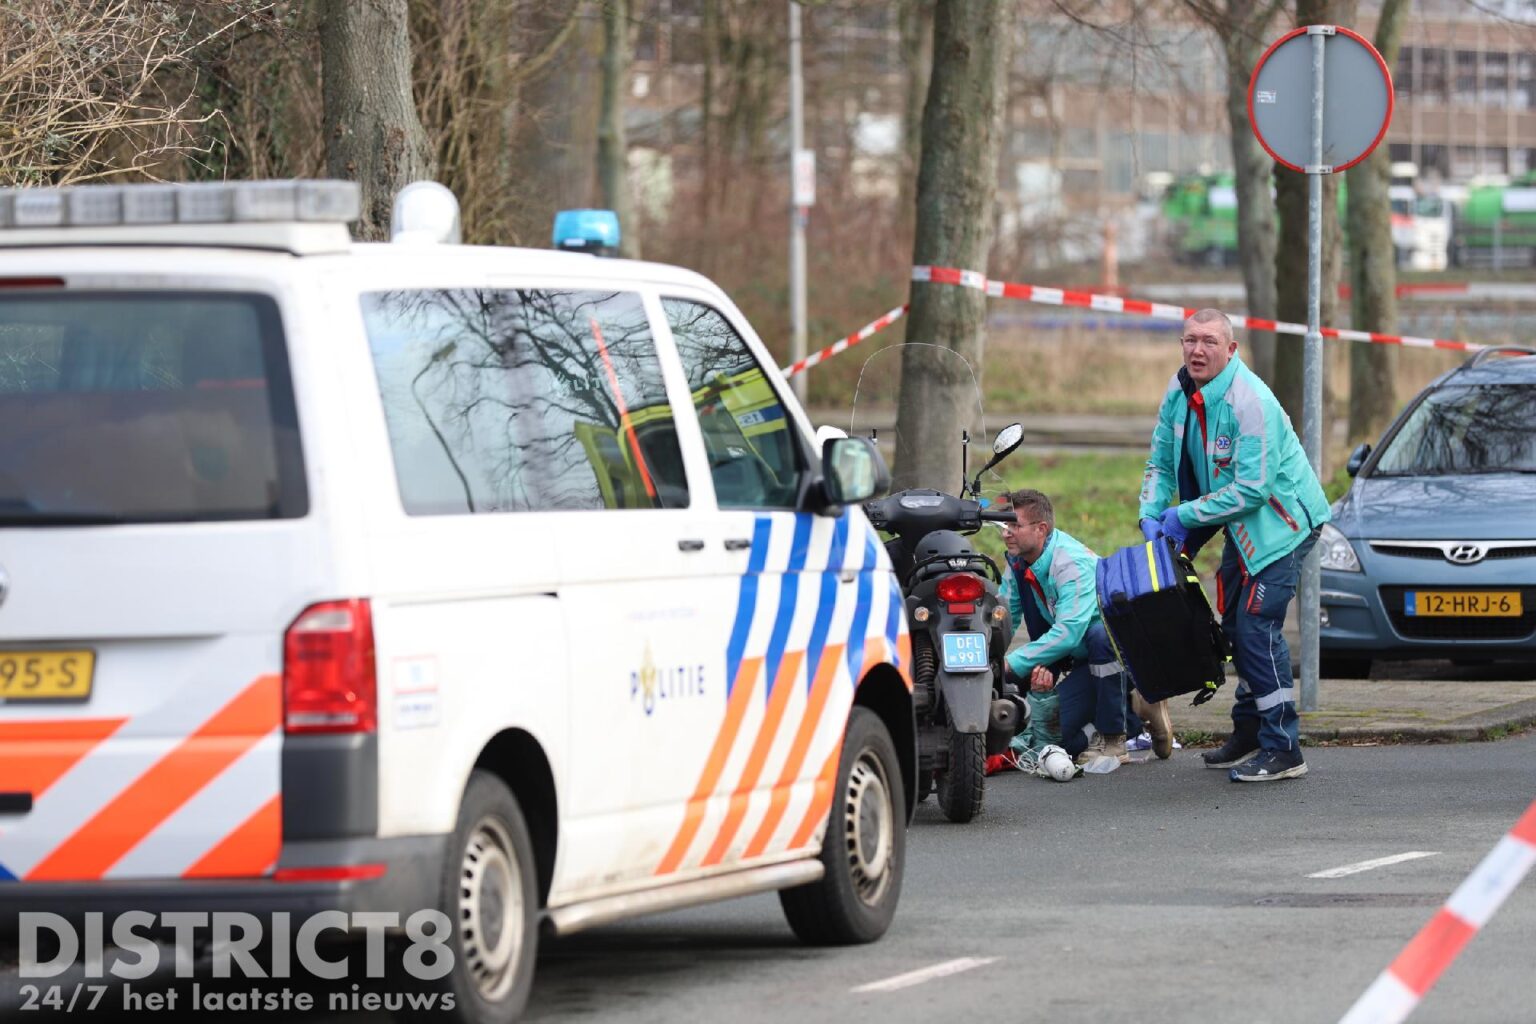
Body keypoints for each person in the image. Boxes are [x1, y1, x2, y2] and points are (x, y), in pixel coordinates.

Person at [1139, 308, 1331, 782]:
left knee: (1257, 628)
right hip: (1240, 526)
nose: (1197, 350)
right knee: (1234, 623)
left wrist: (1183, 516)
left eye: (1208, 341)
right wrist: (1150, 510)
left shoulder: (1251, 401)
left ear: (1231, 349)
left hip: (1284, 528)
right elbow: (1161, 461)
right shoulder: (1180, 390)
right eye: (1189, 340)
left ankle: (1285, 748)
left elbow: (1253, 490)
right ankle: (1249, 733)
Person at [1001, 489, 1131, 766]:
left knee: (1058, 742)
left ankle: (1118, 729)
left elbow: (1069, 633)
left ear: (1041, 529)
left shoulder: (1070, 563)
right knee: (1007, 706)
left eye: (1014, 525)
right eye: (1004, 525)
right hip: (1067, 651)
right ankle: (1122, 706)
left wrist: (1009, 664)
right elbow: (1006, 617)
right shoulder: (1018, 559)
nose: (1006, 533)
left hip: (1105, 657)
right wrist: (985, 664)